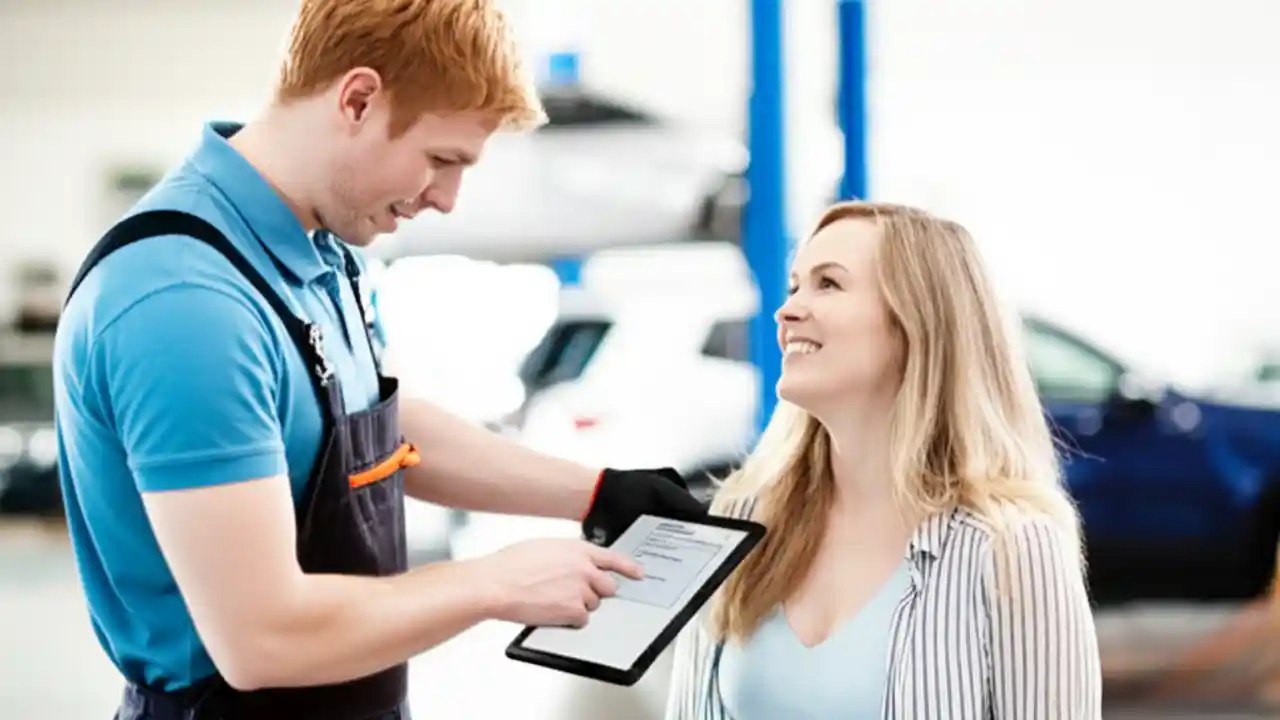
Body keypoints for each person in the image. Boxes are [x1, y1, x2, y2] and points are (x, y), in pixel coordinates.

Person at [51, 2, 706, 719]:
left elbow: (375, 434)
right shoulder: (185, 300)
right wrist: (493, 583)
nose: (447, 200)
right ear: (358, 100)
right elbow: (262, 638)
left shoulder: (324, 253)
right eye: (442, 160)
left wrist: (597, 492)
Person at [664, 201, 1103, 719]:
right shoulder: (740, 520)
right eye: (794, 286)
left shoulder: (1012, 546)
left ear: (916, 323)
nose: (788, 311)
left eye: (829, 284)